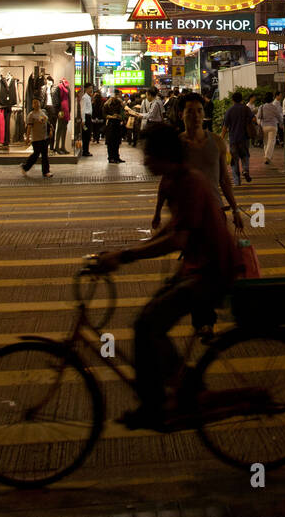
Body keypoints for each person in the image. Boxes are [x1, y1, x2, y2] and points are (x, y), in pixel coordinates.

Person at [93, 124, 240, 430]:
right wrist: (124, 252)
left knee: (147, 324)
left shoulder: (189, 183)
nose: (144, 160)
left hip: (214, 271)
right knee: (148, 320)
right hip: (197, 267)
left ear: (163, 156)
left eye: (149, 154)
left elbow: (178, 240)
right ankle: (178, 387)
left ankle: (158, 402)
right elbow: (171, 230)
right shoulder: (174, 180)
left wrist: (125, 256)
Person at [152, 95, 244, 234]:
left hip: (214, 210)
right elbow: (166, 181)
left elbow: (224, 180)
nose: (196, 116)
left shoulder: (217, 142)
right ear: (181, 114)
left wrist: (235, 209)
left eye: (199, 111)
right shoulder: (175, 144)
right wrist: (157, 211)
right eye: (190, 111)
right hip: (186, 214)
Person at [222, 90, 252, 185]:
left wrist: (221, 138)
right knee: (245, 155)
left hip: (233, 139)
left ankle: (236, 181)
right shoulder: (246, 109)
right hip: (244, 137)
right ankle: (245, 170)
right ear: (241, 99)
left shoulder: (229, 111)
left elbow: (225, 127)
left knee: (234, 160)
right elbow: (254, 118)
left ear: (232, 100)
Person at [22, 98, 52, 178]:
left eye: (37, 102)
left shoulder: (43, 112)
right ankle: (25, 167)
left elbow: (48, 123)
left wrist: (50, 131)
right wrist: (28, 138)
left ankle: (46, 171)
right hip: (36, 138)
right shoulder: (31, 115)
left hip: (44, 137)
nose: (36, 104)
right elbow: (29, 127)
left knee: (45, 155)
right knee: (36, 154)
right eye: (34, 103)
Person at [258, 90, 283, 164]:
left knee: (266, 142)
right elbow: (279, 117)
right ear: (272, 98)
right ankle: (267, 157)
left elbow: (259, 116)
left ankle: (267, 156)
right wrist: (281, 124)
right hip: (272, 126)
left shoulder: (261, 107)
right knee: (271, 142)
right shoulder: (274, 107)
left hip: (264, 126)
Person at [105, 92, 125, 163]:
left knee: (117, 142)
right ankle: (111, 157)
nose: (116, 97)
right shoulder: (107, 104)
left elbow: (123, 114)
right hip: (110, 125)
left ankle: (117, 157)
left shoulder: (120, 104)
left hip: (117, 124)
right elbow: (104, 115)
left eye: (117, 95)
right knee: (110, 142)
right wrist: (111, 116)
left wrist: (120, 116)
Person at [80, 84, 93, 156]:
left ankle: (86, 150)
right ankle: (85, 151)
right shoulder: (84, 98)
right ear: (86, 89)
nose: (91, 90)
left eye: (91, 88)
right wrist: (83, 120)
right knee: (85, 134)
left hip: (89, 118)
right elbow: (83, 109)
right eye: (90, 88)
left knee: (88, 135)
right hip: (86, 118)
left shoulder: (88, 97)